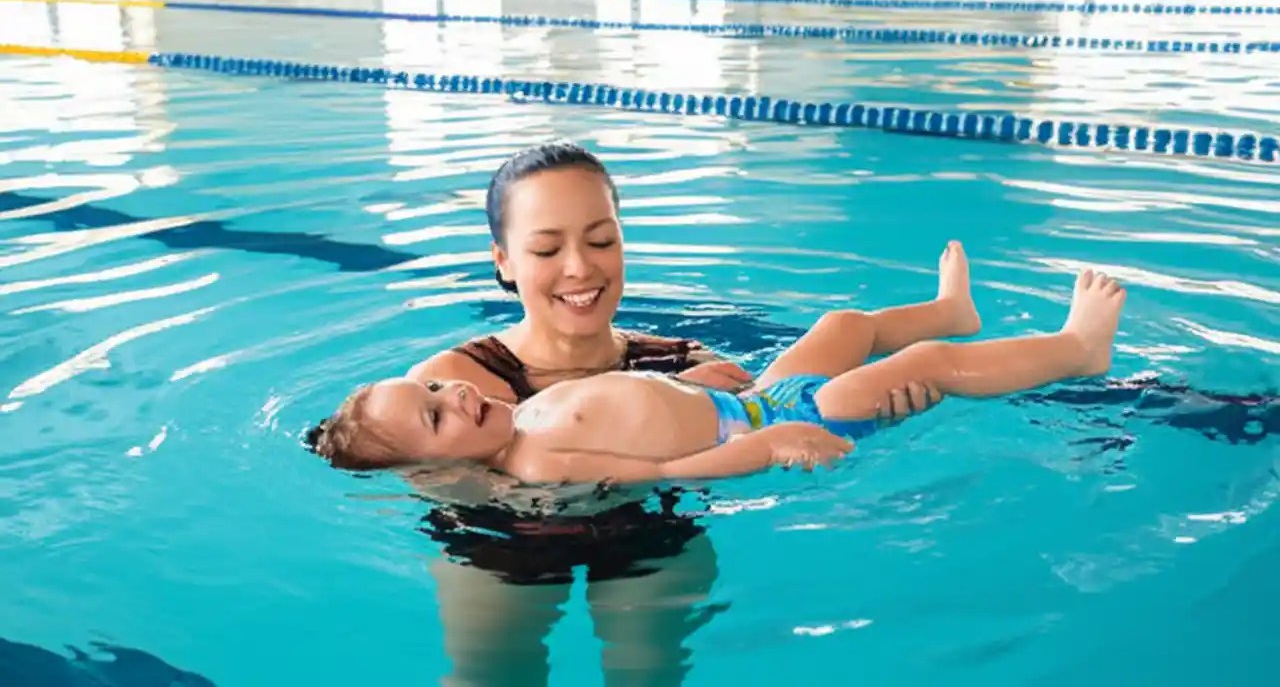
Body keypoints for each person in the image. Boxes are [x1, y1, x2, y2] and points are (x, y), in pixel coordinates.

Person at [318, 140, 965, 687]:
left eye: (601, 240)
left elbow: (770, 432)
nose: (579, 268)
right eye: (546, 251)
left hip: (652, 525)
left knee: (645, 673)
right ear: (503, 262)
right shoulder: (457, 378)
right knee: (494, 673)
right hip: (505, 544)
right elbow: (399, 469)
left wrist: (880, 414)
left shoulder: (682, 360)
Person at [312, 260, 1126, 483]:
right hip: (779, 424)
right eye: (433, 417)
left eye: (429, 388)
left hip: (761, 398)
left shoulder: (524, 412)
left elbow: (638, 407)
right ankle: (1076, 349)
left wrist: (687, 387)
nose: (449, 390)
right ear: (437, 468)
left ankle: (954, 311)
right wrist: (770, 449)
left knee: (843, 324)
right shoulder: (534, 459)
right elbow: (666, 466)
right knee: (925, 369)